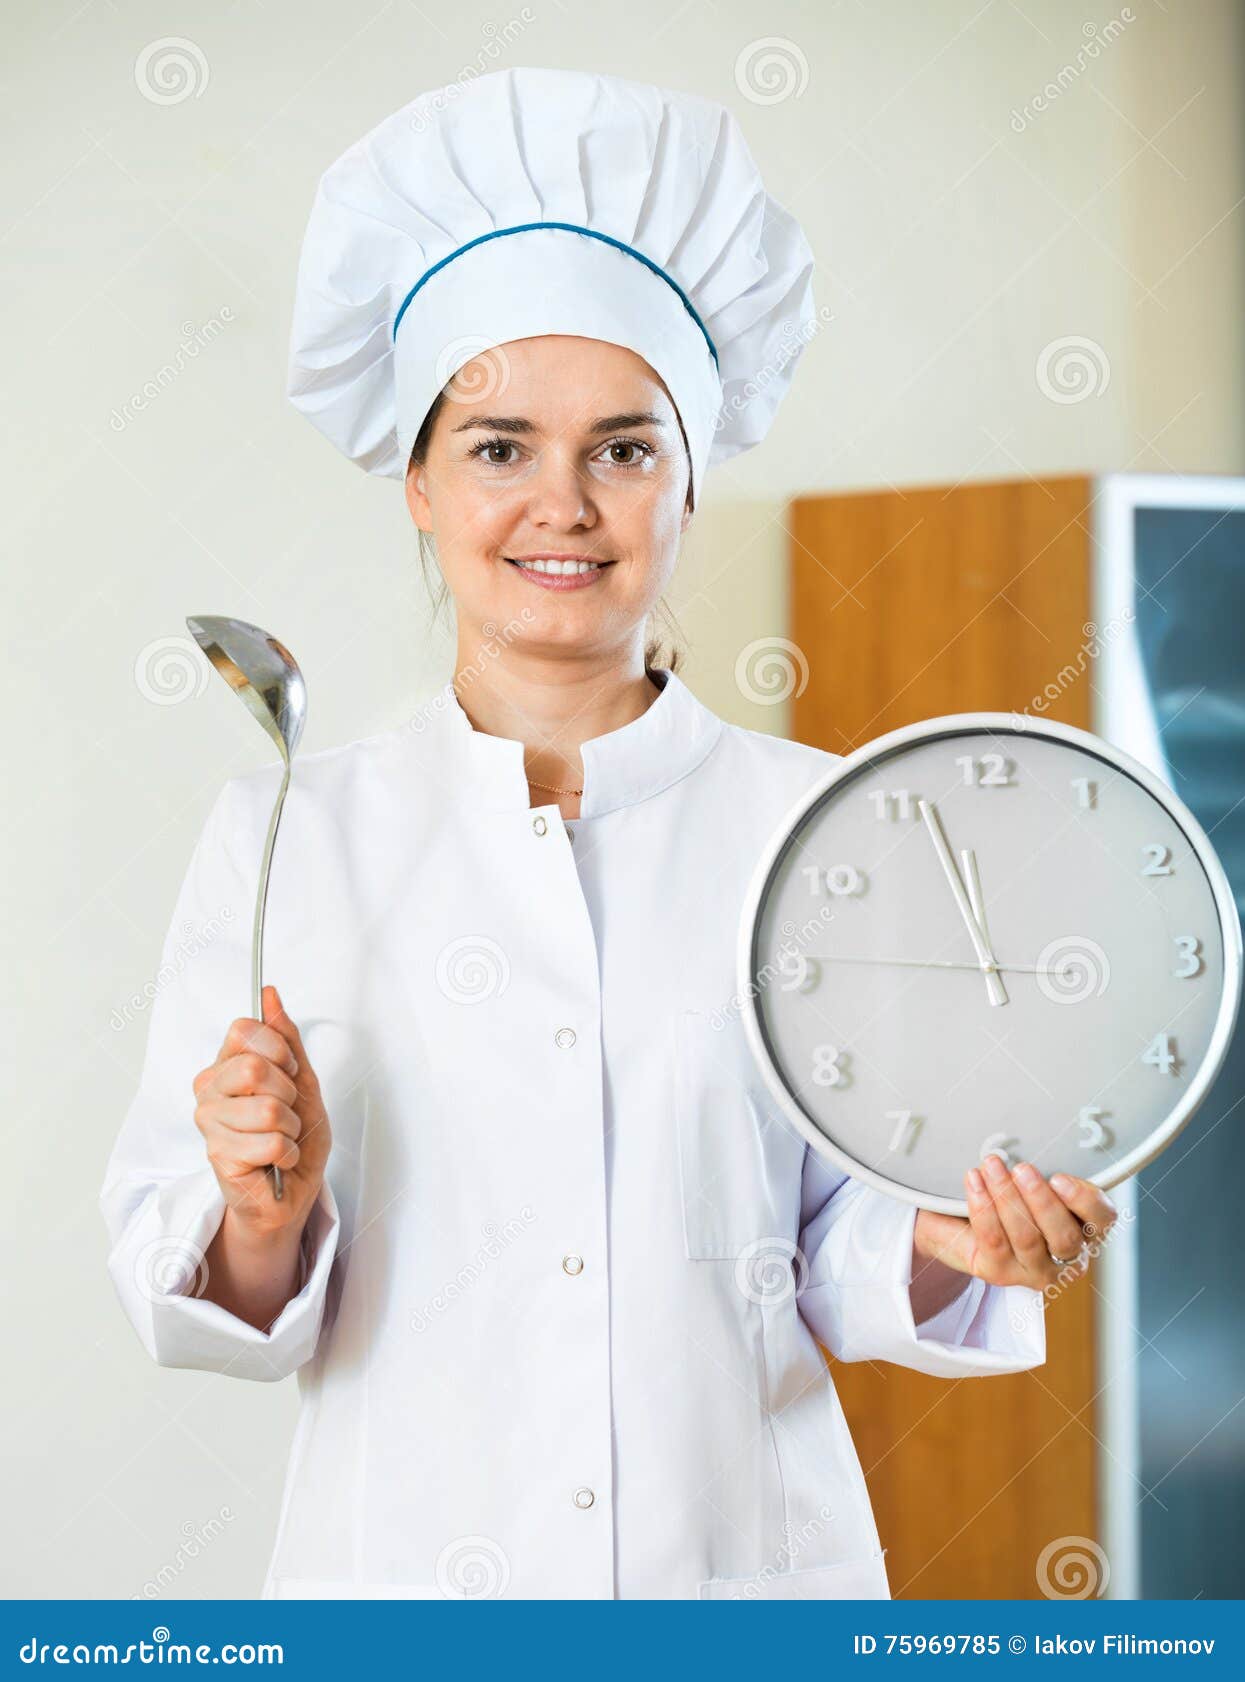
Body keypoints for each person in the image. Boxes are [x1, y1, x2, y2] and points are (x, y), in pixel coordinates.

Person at [100, 66, 1118, 1601]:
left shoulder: (818, 825)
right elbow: (216, 1295)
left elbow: (838, 1251)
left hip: (748, 1590)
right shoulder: (289, 832)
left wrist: (957, 1244)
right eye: (500, 446)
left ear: (689, 481)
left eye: (624, 448)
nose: (561, 504)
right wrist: (263, 1210)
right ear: (420, 487)